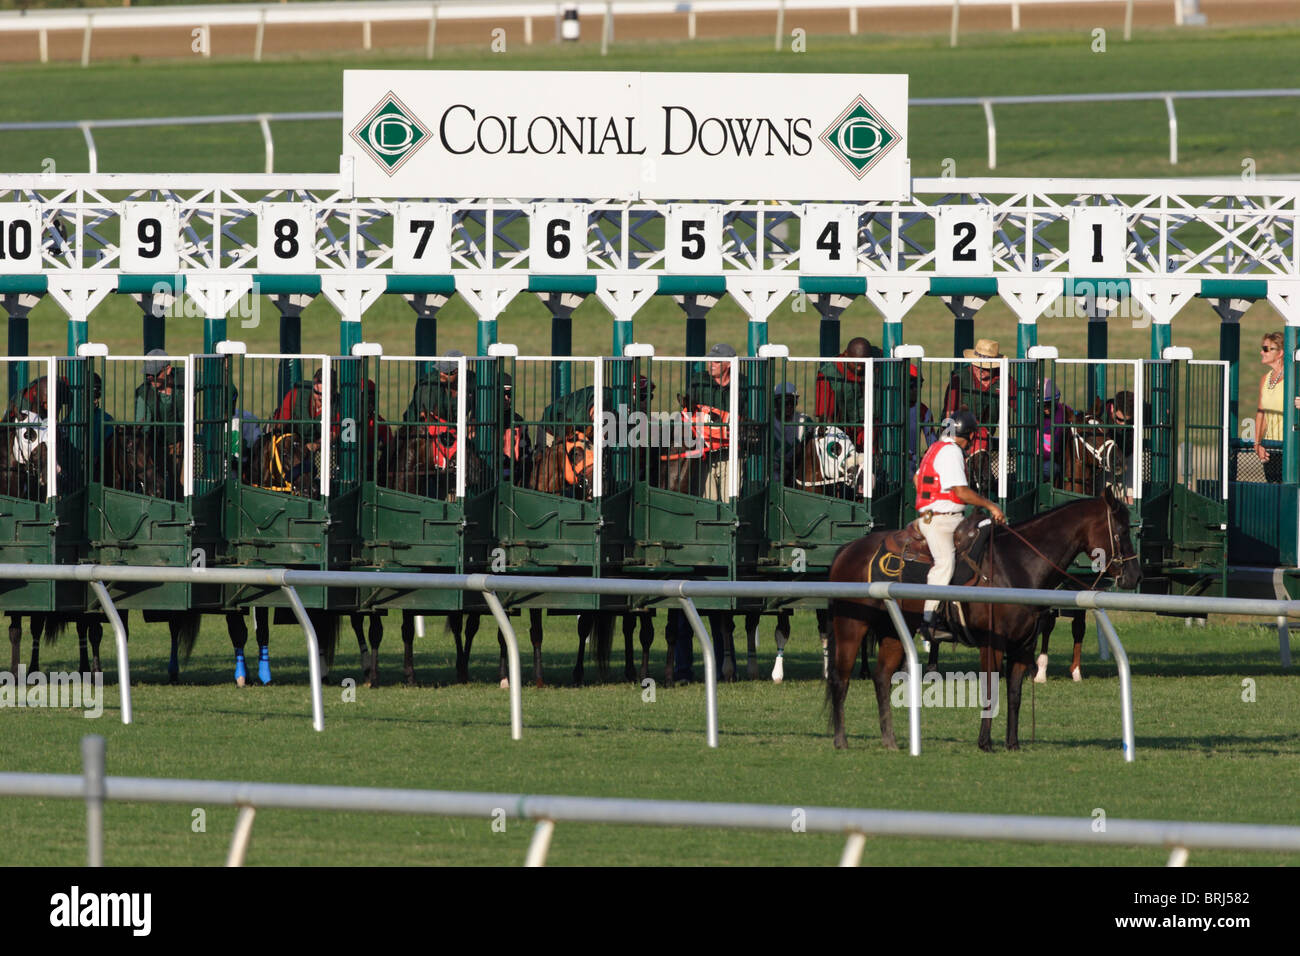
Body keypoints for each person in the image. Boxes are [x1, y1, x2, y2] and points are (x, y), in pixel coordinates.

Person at [913, 409, 1007, 645]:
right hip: (941, 520)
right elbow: (961, 491)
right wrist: (991, 506)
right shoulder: (952, 451)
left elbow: (916, 479)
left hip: (940, 515)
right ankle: (929, 622)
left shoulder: (935, 447)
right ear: (968, 435)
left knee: (985, 528)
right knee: (944, 564)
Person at [943, 338, 1016, 492]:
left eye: (987, 367)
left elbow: (1021, 407)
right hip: (957, 433)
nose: (981, 370)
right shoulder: (959, 378)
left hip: (984, 435)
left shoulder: (1005, 380)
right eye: (978, 365)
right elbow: (949, 414)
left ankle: (984, 491)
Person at [684, 342, 746, 501]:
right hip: (705, 456)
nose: (711, 365)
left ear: (728, 364)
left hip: (732, 456)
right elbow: (688, 414)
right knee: (707, 503)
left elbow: (747, 422)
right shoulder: (699, 381)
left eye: (716, 362)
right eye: (710, 360)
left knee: (731, 503)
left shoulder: (744, 385)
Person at [814, 336, 875, 450]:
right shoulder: (829, 374)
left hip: (874, 430)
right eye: (856, 363)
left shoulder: (880, 359)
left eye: (863, 364)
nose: (859, 369)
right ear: (846, 354)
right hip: (844, 431)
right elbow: (826, 416)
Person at [1255, 331, 1285, 483]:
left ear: (1280, 353)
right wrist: (1258, 443)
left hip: (1290, 448)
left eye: (1266, 349)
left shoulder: (1295, 379)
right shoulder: (1264, 379)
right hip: (1271, 448)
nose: (1262, 352)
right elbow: (1261, 414)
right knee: (1275, 494)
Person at [773, 381, 810, 481]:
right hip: (773, 472)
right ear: (776, 403)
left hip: (797, 472)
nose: (789, 406)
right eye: (785, 402)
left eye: (792, 402)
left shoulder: (805, 421)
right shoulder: (769, 422)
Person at [1040, 377, 1074, 482]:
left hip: (1058, 458)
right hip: (1036, 460)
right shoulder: (1032, 415)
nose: (1047, 409)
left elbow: (1077, 418)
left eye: (1051, 404)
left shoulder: (1064, 410)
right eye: (1044, 405)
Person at [906, 363, 935, 472]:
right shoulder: (889, 408)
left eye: (919, 385)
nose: (916, 390)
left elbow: (932, 443)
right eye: (911, 385)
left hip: (912, 464)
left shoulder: (924, 411)